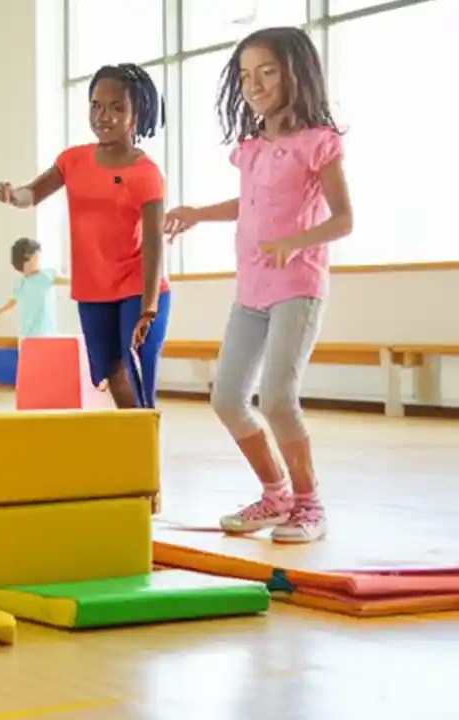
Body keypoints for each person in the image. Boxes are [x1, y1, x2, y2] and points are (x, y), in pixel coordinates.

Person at [165, 27, 352, 543]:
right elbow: (248, 206)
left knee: (277, 399)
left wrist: (297, 241)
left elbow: (343, 221)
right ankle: (276, 494)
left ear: (297, 74)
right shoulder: (250, 149)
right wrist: (199, 213)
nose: (255, 84)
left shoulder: (319, 144)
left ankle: (309, 504)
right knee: (227, 397)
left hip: (299, 286)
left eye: (267, 71)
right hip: (250, 290)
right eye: (246, 75)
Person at [0, 63, 169, 409]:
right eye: (96, 105)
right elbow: (32, 193)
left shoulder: (146, 174)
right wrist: (13, 194)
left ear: (137, 114)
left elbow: (153, 243)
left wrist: (149, 307)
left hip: (138, 285)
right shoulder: (73, 160)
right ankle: (133, 431)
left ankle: (142, 444)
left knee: (135, 369)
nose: (104, 115)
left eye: (117, 107)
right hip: (93, 287)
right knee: (109, 369)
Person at [0, 237, 58, 338]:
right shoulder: (20, 283)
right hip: (26, 334)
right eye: (34, 257)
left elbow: (63, 281)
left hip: (45, 333)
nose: (36, 261)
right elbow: (12, 302)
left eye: (36, 257)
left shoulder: (45, 276)